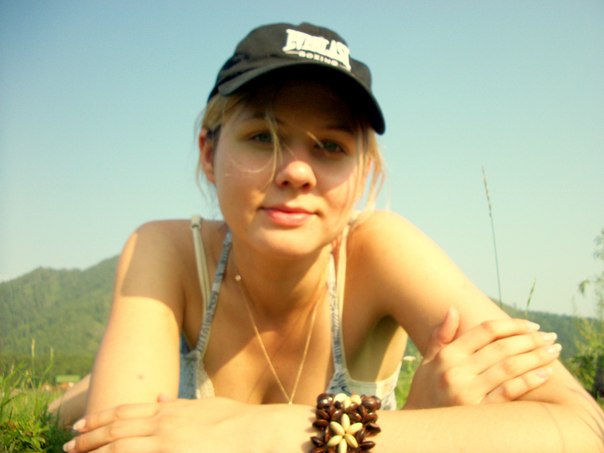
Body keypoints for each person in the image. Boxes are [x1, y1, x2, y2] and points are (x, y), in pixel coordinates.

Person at [59, 22, 603, 452]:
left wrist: (260, 432)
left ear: (363, 173)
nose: (297, 172)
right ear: (209, 153)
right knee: (74, 409)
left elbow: (583, 428)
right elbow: (111, 443)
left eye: (331, 147)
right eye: (262, 136)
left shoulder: (379, 249)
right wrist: (416, 428)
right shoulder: (168, 250)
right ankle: (74, 391)